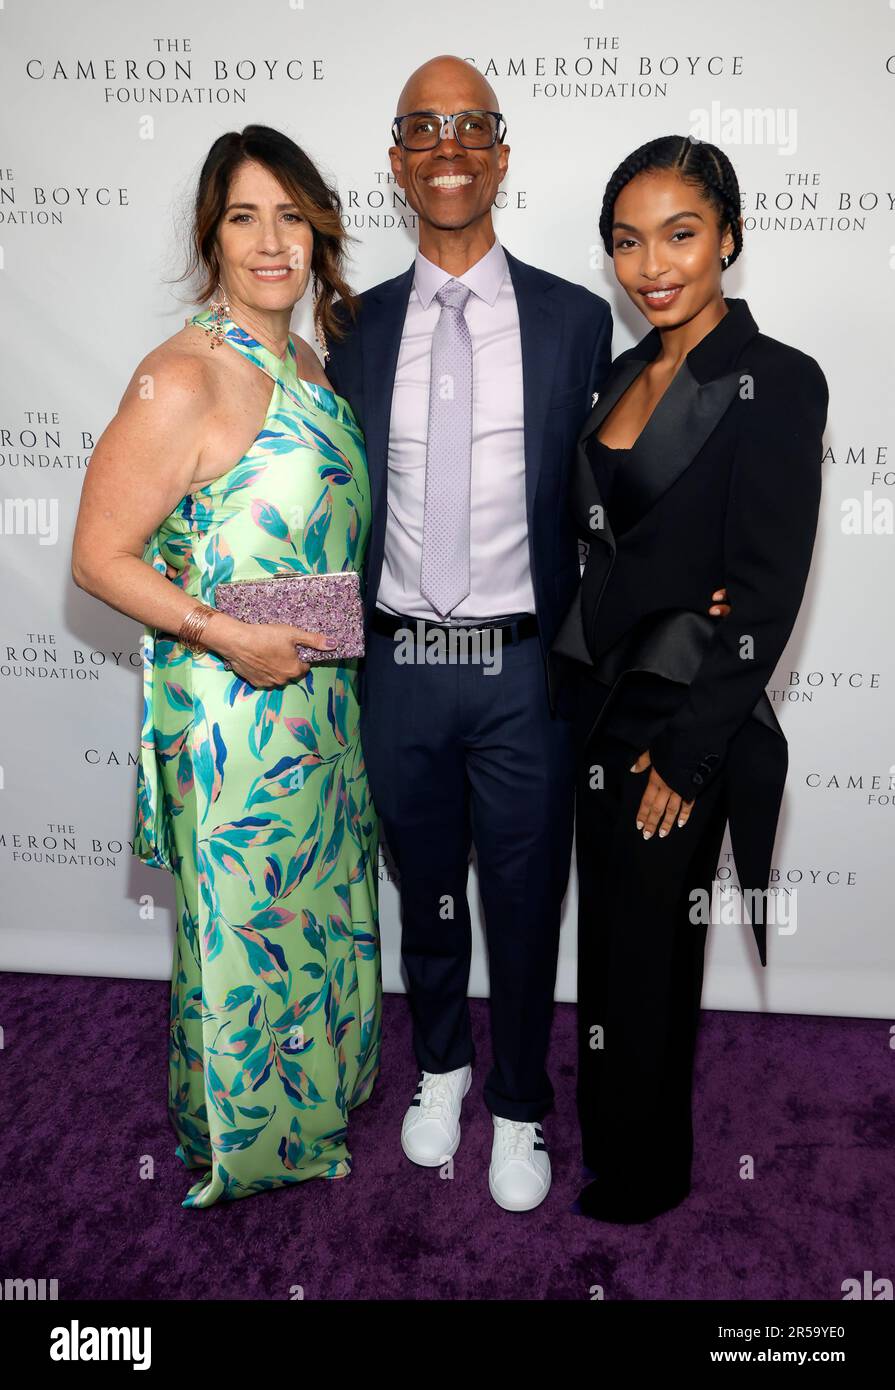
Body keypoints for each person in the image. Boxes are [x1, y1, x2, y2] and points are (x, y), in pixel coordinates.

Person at [325, 57, 727, 1211]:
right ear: (397, 161)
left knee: (521, 888)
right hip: (401, 663)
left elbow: (621, 481)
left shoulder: (570, 319)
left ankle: (515, 1102)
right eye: (422, 129)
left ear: (500, 154)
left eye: (470, 127)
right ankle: (441, 1065)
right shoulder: (354, 325)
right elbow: (323, 500)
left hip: (519, 666)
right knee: (426, 888)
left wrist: (703, 586)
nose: (447, 147)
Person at [70, 125, 382, 1208]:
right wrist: (221, 633)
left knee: (316, 909)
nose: (270, 240)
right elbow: (98, 557)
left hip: (322, 696)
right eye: (244, 215)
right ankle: (252, 1142)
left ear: (318, 232)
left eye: (291, 215)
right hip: (237, 706)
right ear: (211, 234)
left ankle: (316, 1099)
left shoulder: (304, 359)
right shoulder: (181, 375)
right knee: (246, 921)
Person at [549, 134, 829, 1223]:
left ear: (729, 237)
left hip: (681, 708)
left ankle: (645, 1168)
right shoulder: (628, 368)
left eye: (680, 233)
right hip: (597, 699)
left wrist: (691, 746)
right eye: (627, 240)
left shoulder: (776, 380)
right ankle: (611, 1137)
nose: (651, 263)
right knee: (612, 938)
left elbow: (764, 591)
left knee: (654, 947)